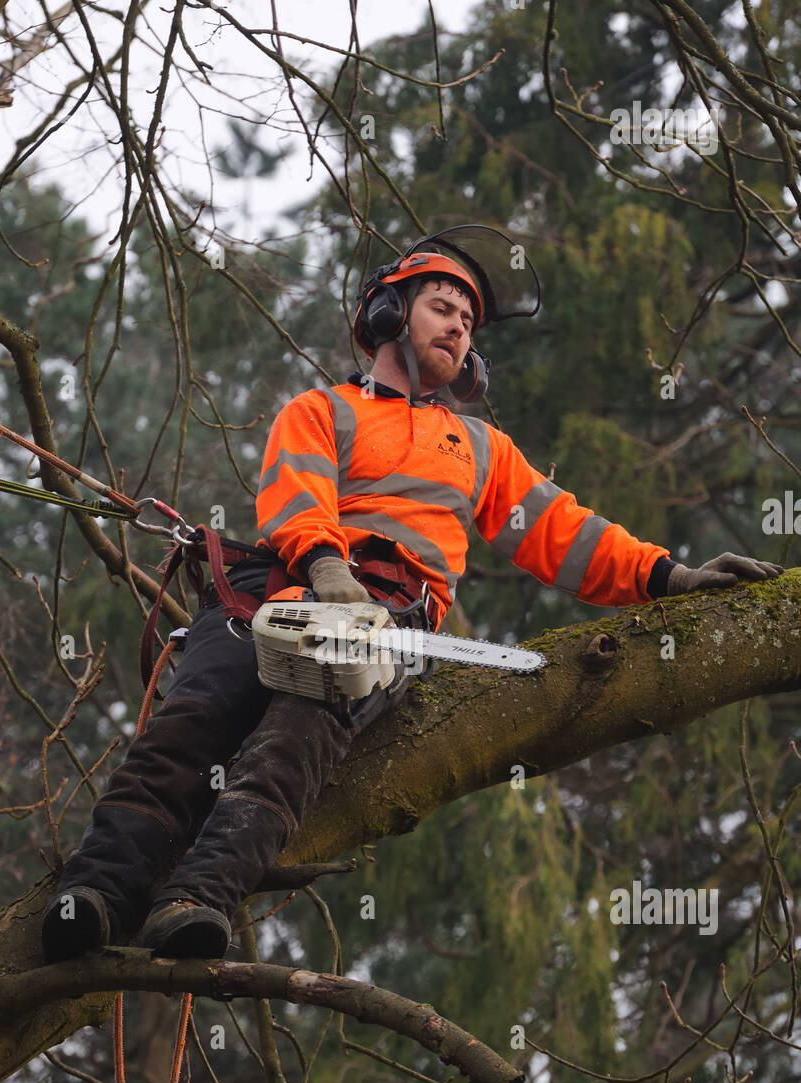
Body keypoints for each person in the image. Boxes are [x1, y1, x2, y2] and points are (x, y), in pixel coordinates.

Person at [40, 228, 783, 965]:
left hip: (386, 614)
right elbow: (297, 495)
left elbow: (567, 534)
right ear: (389, 315)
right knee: (185, 735)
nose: (458, 326)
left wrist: (668, 577)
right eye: (441, 306)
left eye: (467, 321)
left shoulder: (479, 449)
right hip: (270, 597)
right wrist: (329, 570)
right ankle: (95, 895)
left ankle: (195, 899)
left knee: (294, 739)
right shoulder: (322, 409)